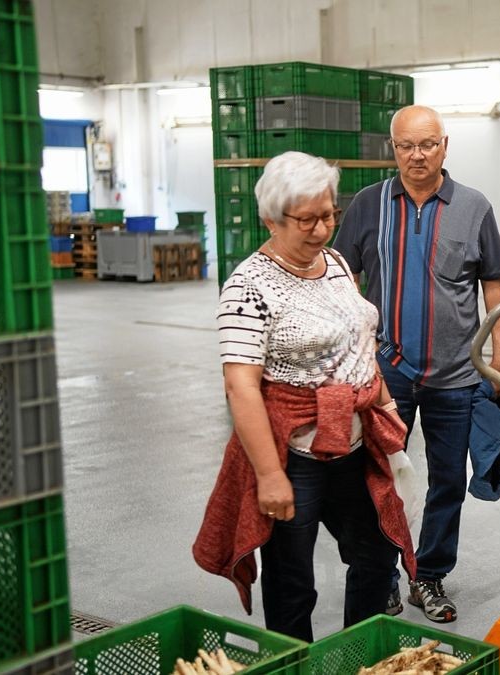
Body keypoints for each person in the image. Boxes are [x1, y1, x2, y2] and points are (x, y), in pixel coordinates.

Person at [193, 151, 415, 642]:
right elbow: (241, 386)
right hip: (295, 456)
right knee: (292, 580)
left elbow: (358, 337)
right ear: (271, 219)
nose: (322, 230)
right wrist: (270, 476)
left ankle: (358, 656)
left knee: (377, 557)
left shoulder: (334, 263)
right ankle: (294, 663)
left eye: (329, 215)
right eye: (307, 220)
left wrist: (385, 406)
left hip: (355, 446)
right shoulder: (248, 286)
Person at [334, 105, 500, 624]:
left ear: (444, 146)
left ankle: (428, 576)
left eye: (428, 144)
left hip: (455, 374)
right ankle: (382, 578)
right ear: (393, 149)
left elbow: (495, 285)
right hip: (384, 372)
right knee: (380, 478)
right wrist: (353, 352)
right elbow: (342, 279)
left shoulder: (473, 207)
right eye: (406, 146)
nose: (417, 155)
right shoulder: (368, 204)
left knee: (447, 481)